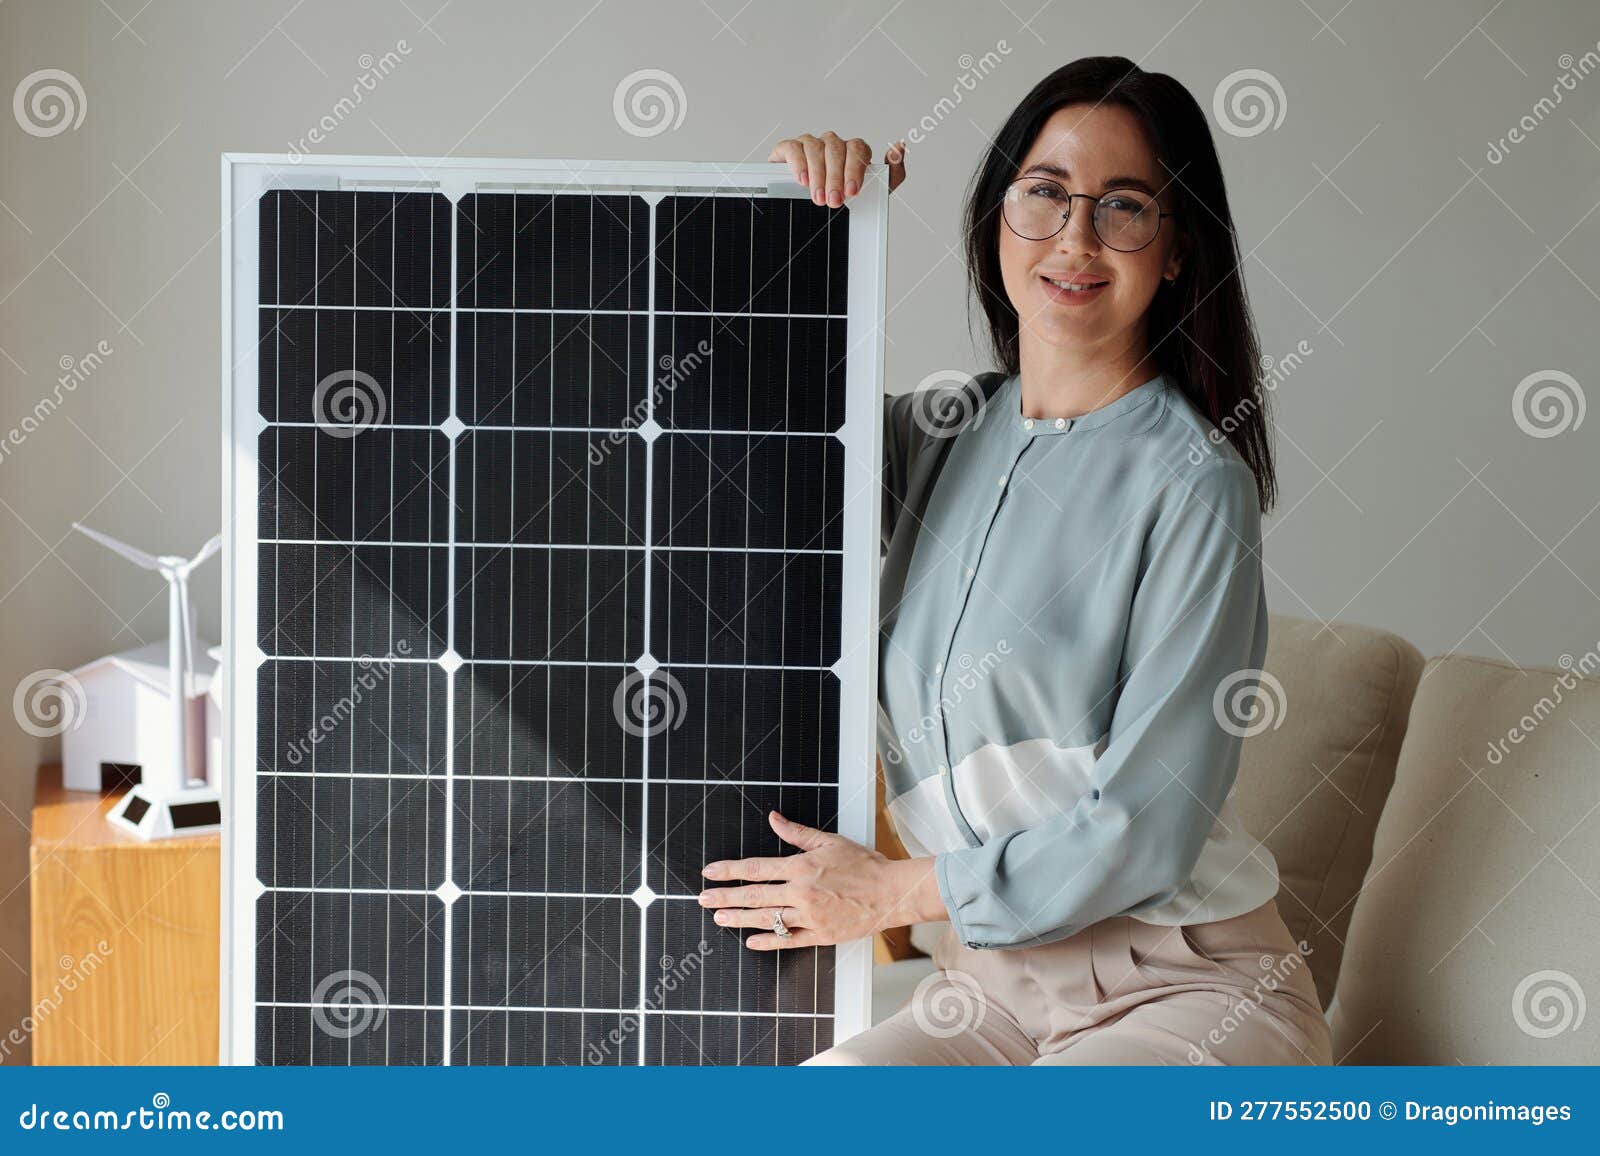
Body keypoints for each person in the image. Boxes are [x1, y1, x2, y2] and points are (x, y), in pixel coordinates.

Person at [696, 55, 1332, 1066]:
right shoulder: (941, 431)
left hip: (1183, 992)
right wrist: (804, 223)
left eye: (1124, 207)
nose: (1076, 237)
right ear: (997, 217)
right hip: (986, 995)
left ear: (1174, 251)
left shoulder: (1194, 486)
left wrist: (887, 894)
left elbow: (1146, 828)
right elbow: (736, 422)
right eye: (1044, 195)